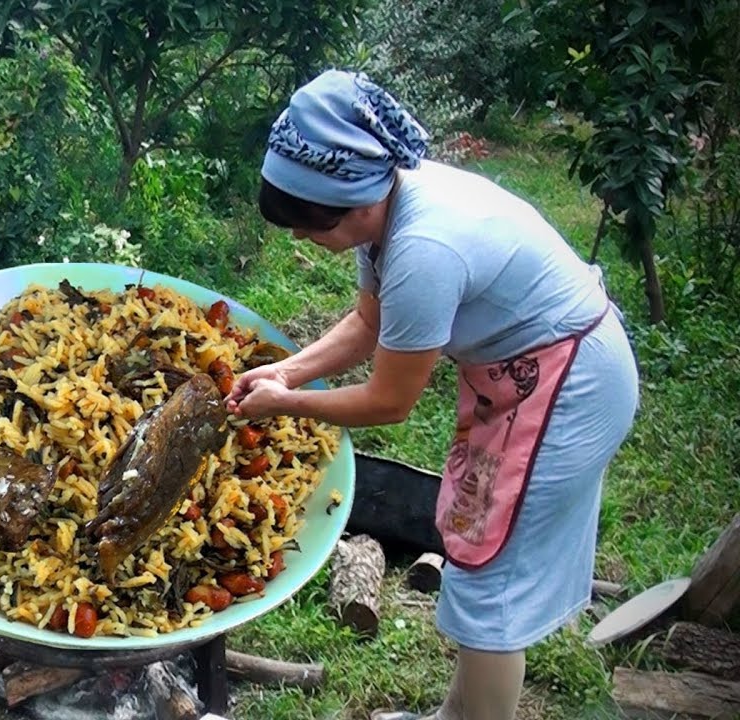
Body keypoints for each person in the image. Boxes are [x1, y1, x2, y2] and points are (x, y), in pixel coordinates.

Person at [226, 70, 639, 720]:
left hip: (570, 385)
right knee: (475, 543)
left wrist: (284, 403)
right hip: (521, 372)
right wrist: (288, 373)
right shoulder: (385, 208)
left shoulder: (423, 248)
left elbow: (389, 403)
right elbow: (369, 323)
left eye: (309, 227)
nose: (302, 240)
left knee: (488, 582)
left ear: (355, 203)